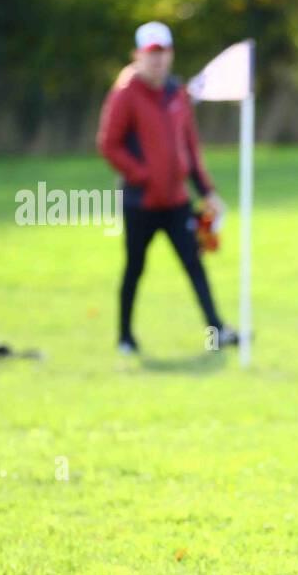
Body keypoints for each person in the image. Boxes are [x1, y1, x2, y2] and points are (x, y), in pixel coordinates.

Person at [97, 21, 237, 354]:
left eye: (162, 53)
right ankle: (125, 336)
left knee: (194, 262)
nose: (157, 60)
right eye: (151, 54)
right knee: (135, 268)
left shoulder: (178, 93)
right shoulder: (125, 92)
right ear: (137, 55)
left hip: (176, 201)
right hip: (140, 202)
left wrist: (207, 192)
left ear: (170, 55)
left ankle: (217, 330)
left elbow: (190, 147)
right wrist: (142, 174)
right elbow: (109, 144)